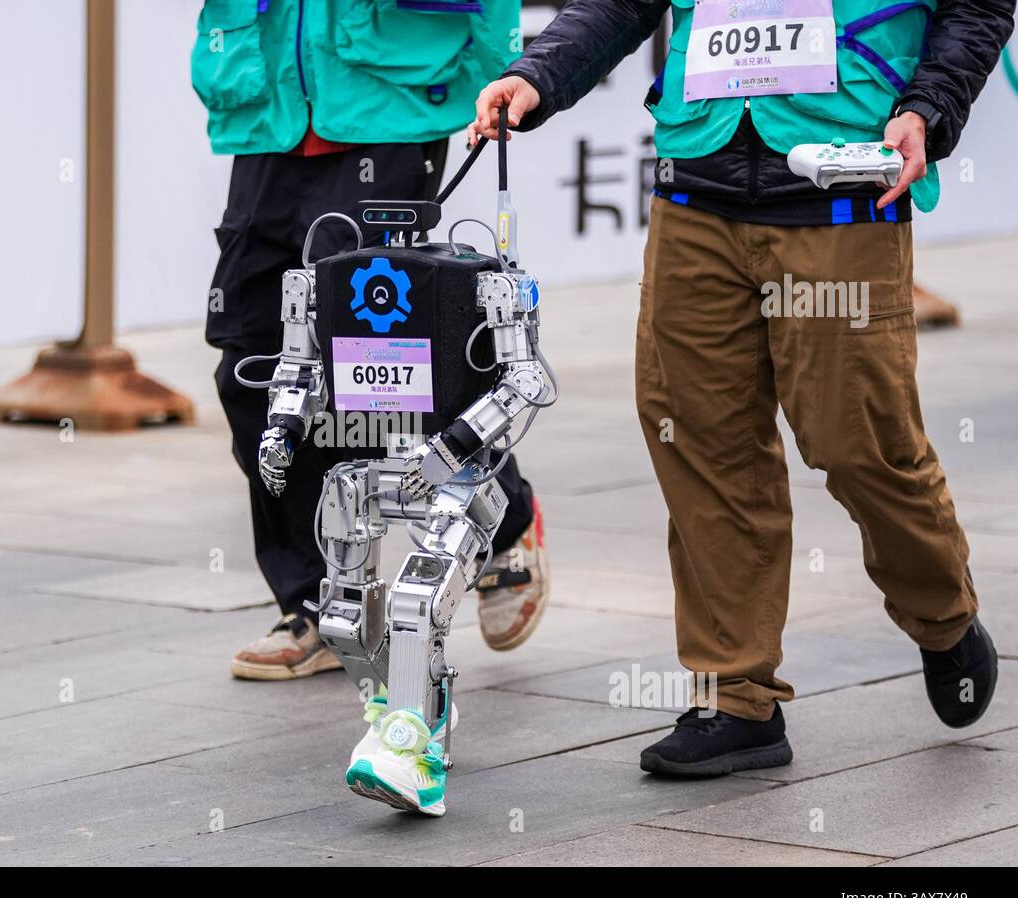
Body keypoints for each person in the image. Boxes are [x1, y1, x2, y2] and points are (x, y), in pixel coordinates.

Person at [470, 0, 1013, 776]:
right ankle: (736, 698)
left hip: (845, 180)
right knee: (698, 436)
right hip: (698, 185)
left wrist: (930, 105)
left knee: (858, 442)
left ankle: (942, 614)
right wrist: (538, 73)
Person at [191, 0, 550, 682]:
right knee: (251, 364)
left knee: (387, 366)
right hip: (266, 100)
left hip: (388, 95)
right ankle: (317, 603)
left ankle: (505, 520)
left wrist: (504, 72)